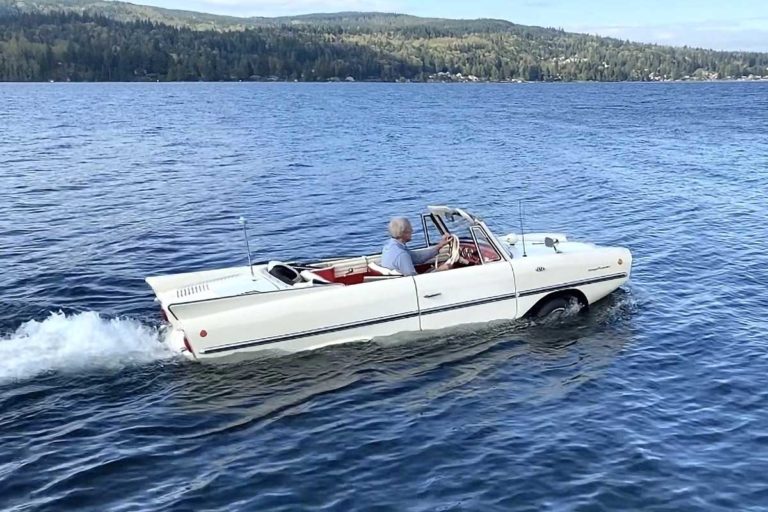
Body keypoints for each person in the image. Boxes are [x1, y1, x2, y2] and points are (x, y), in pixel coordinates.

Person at [380, 217, 452, 276]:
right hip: (409, 286)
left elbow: (418, 257)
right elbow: (414, 280)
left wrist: (439, 246)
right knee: (445, 268)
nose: (412, 231)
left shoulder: (389, 247)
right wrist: (440, 270)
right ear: (403, 232)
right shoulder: (402, 254)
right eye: (410, 229)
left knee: (439, 266)